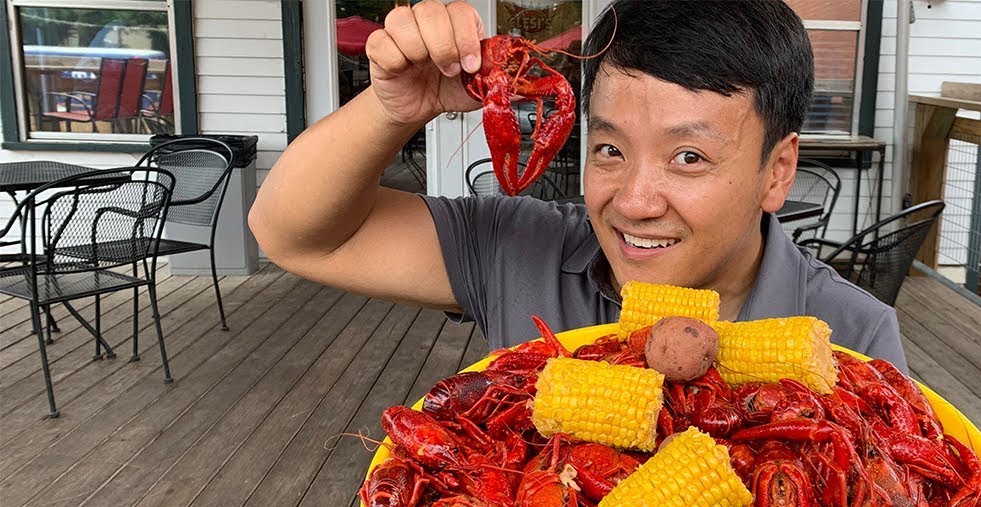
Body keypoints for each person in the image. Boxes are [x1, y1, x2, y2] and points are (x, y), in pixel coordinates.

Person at [249, 0, 908, 372]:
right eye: (610, 149)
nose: (634, 202)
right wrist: (390, 110)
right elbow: (293, 237)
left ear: (778, 171)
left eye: (687, 157)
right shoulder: (521, 249)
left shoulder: (856, 335)